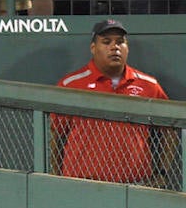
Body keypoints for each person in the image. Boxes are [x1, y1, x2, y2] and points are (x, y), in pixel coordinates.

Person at [53, 18, 172, 184]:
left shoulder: (148, 85)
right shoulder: (71, 84)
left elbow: (170, 129)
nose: (114, 47)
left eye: (120, 42)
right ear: (93, 48)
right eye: (106, 42)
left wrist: (162, 172)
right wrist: (55, 177)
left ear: (127, 48)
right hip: (81, 183)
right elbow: (54, 134)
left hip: (136, 185)